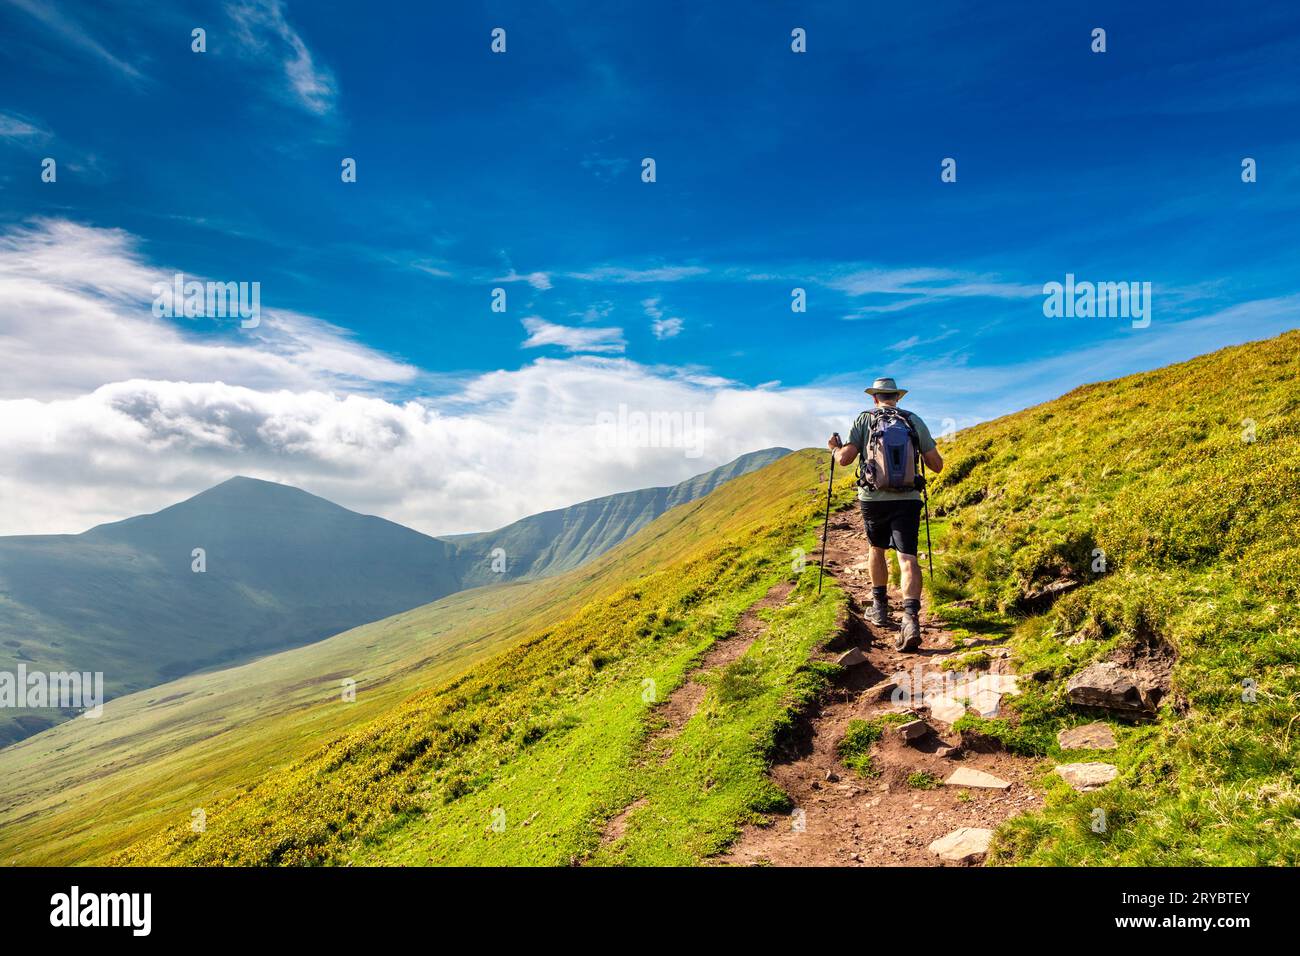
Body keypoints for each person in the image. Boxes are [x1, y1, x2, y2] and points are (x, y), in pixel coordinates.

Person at [828, 377, 943, 651]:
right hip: (908, 499)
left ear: (874, 398)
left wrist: (833, 448)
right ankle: (911, 618)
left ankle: (879, 608)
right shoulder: (913, 420)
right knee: (907, 558)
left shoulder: (864, 420)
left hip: (873, 499)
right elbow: (936, 465)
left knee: (876, 549)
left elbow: (845, 459)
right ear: (897, 397)